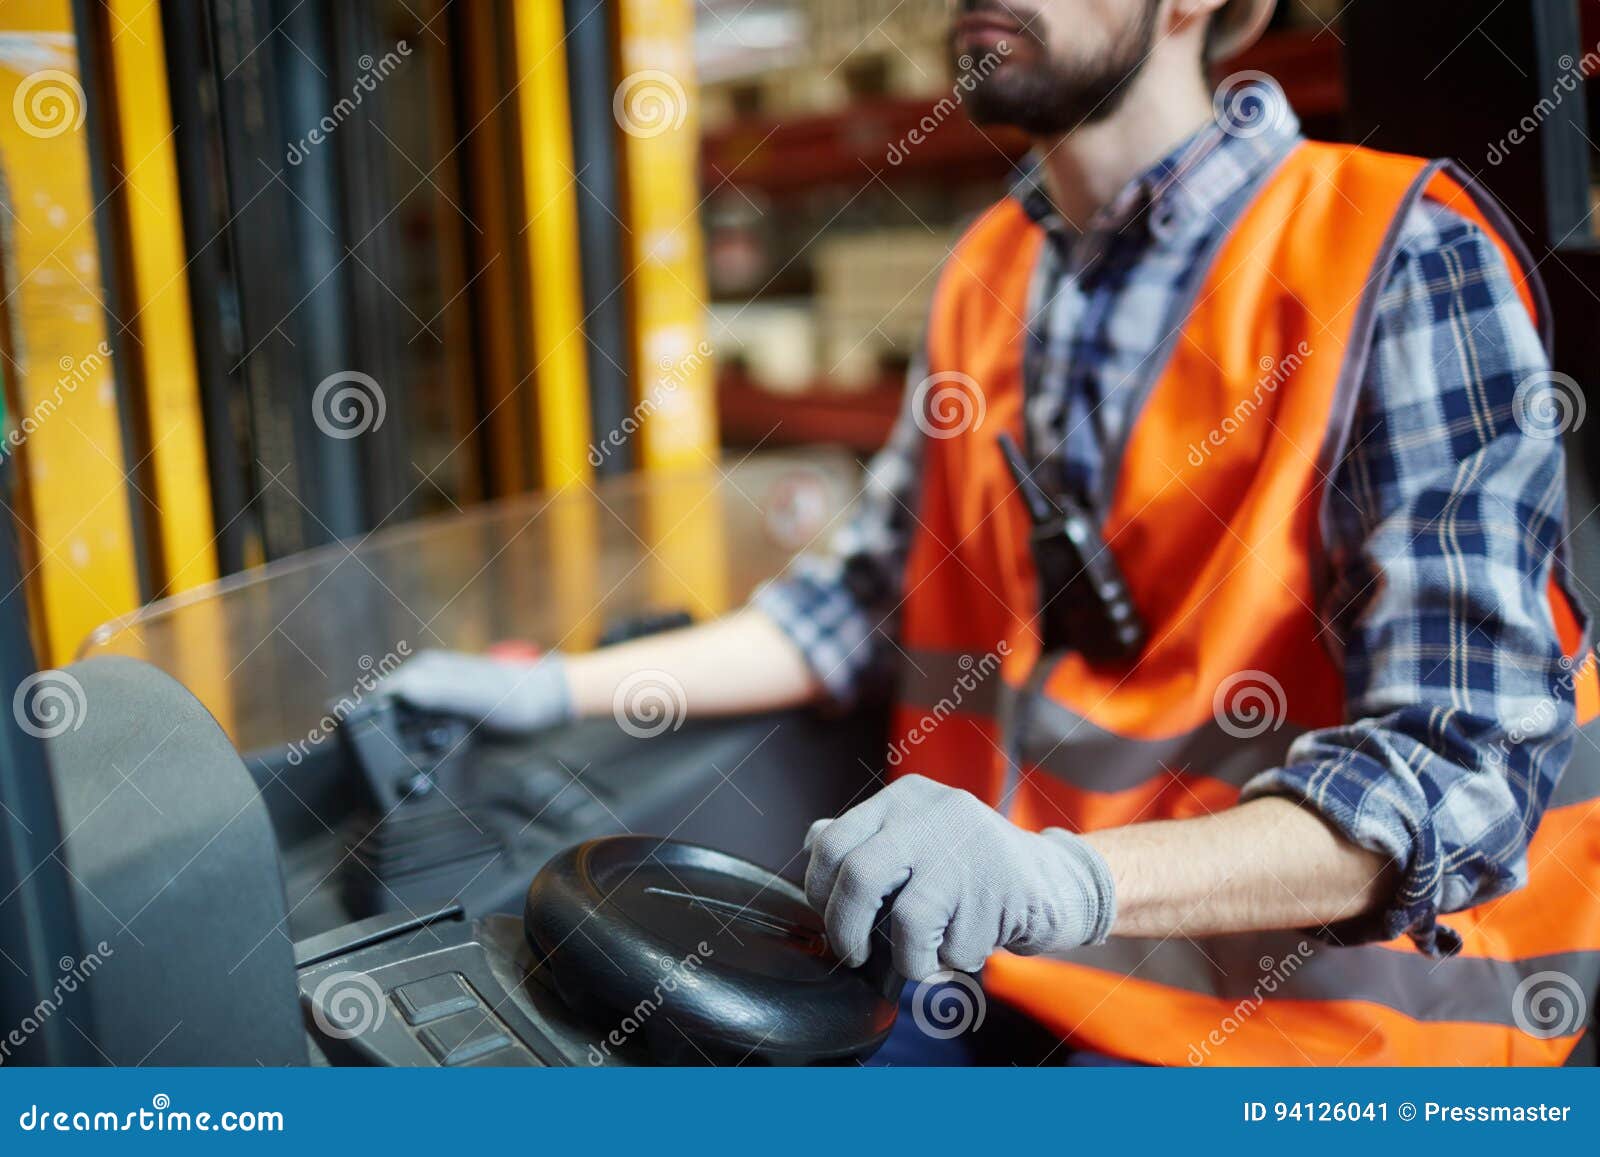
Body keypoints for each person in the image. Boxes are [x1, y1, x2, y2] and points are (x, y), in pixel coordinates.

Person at [385, 0, 1600, 1065]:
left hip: (1324, 1031)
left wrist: (1059, 878)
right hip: (1009, 963)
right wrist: (555, 690)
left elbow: (1454, 771)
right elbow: (855, 605)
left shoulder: (1399, 255)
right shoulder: (990, 268)